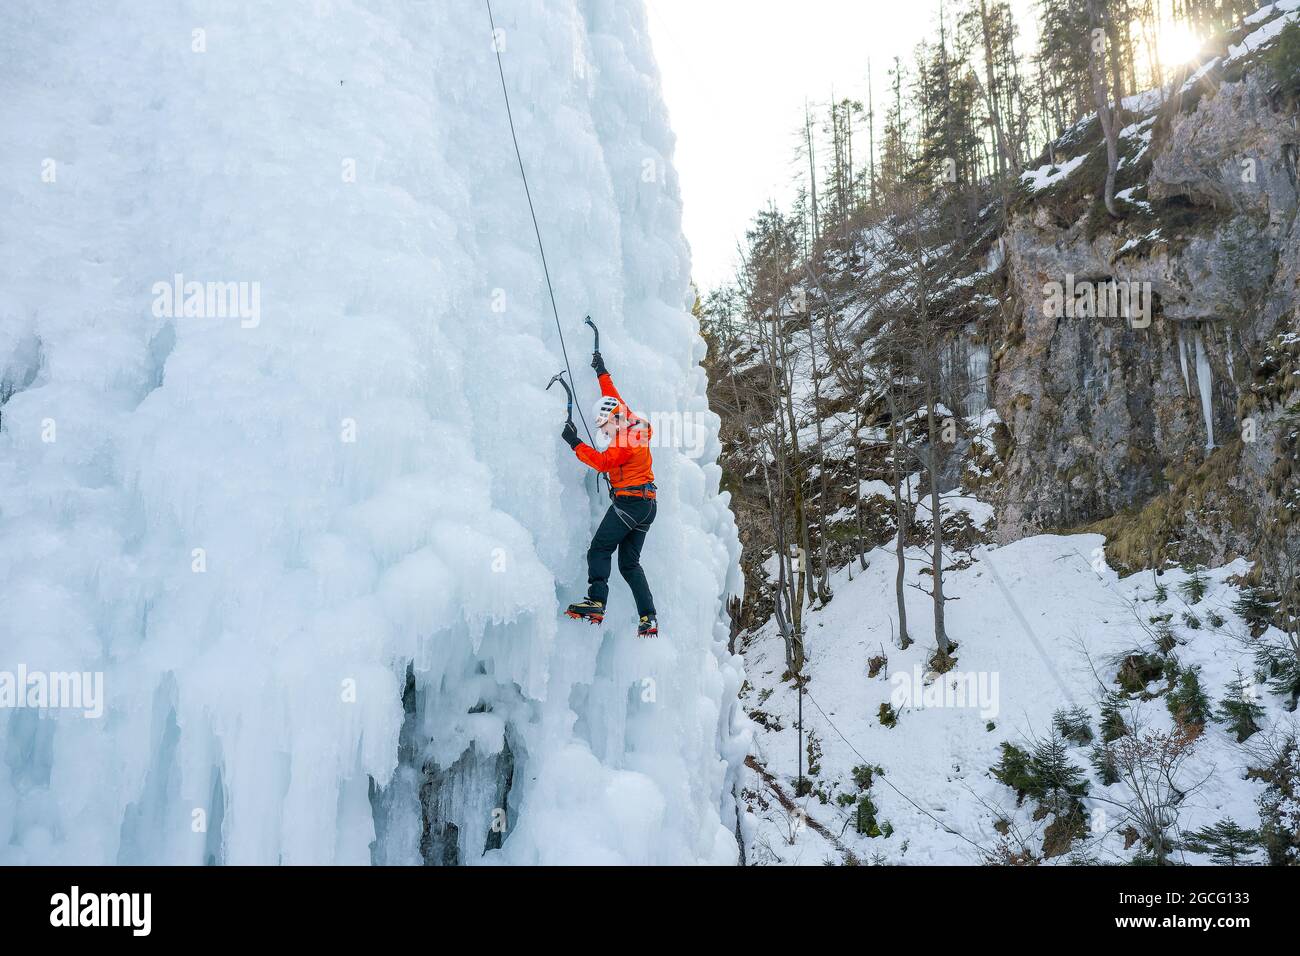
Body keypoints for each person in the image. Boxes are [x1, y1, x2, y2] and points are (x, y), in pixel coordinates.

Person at [561, 349, 658, 637]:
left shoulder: (626, 439)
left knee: (600, 548)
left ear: (613, 419)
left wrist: (575, 443)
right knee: (629, 564)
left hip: (631, 503)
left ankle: (596, 601)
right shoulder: (631, 422)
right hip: (647, 506)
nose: (603, 431)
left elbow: (604, 462)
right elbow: (612, 394)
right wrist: (601, 371)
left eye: (604, 425)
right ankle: (648, 617)